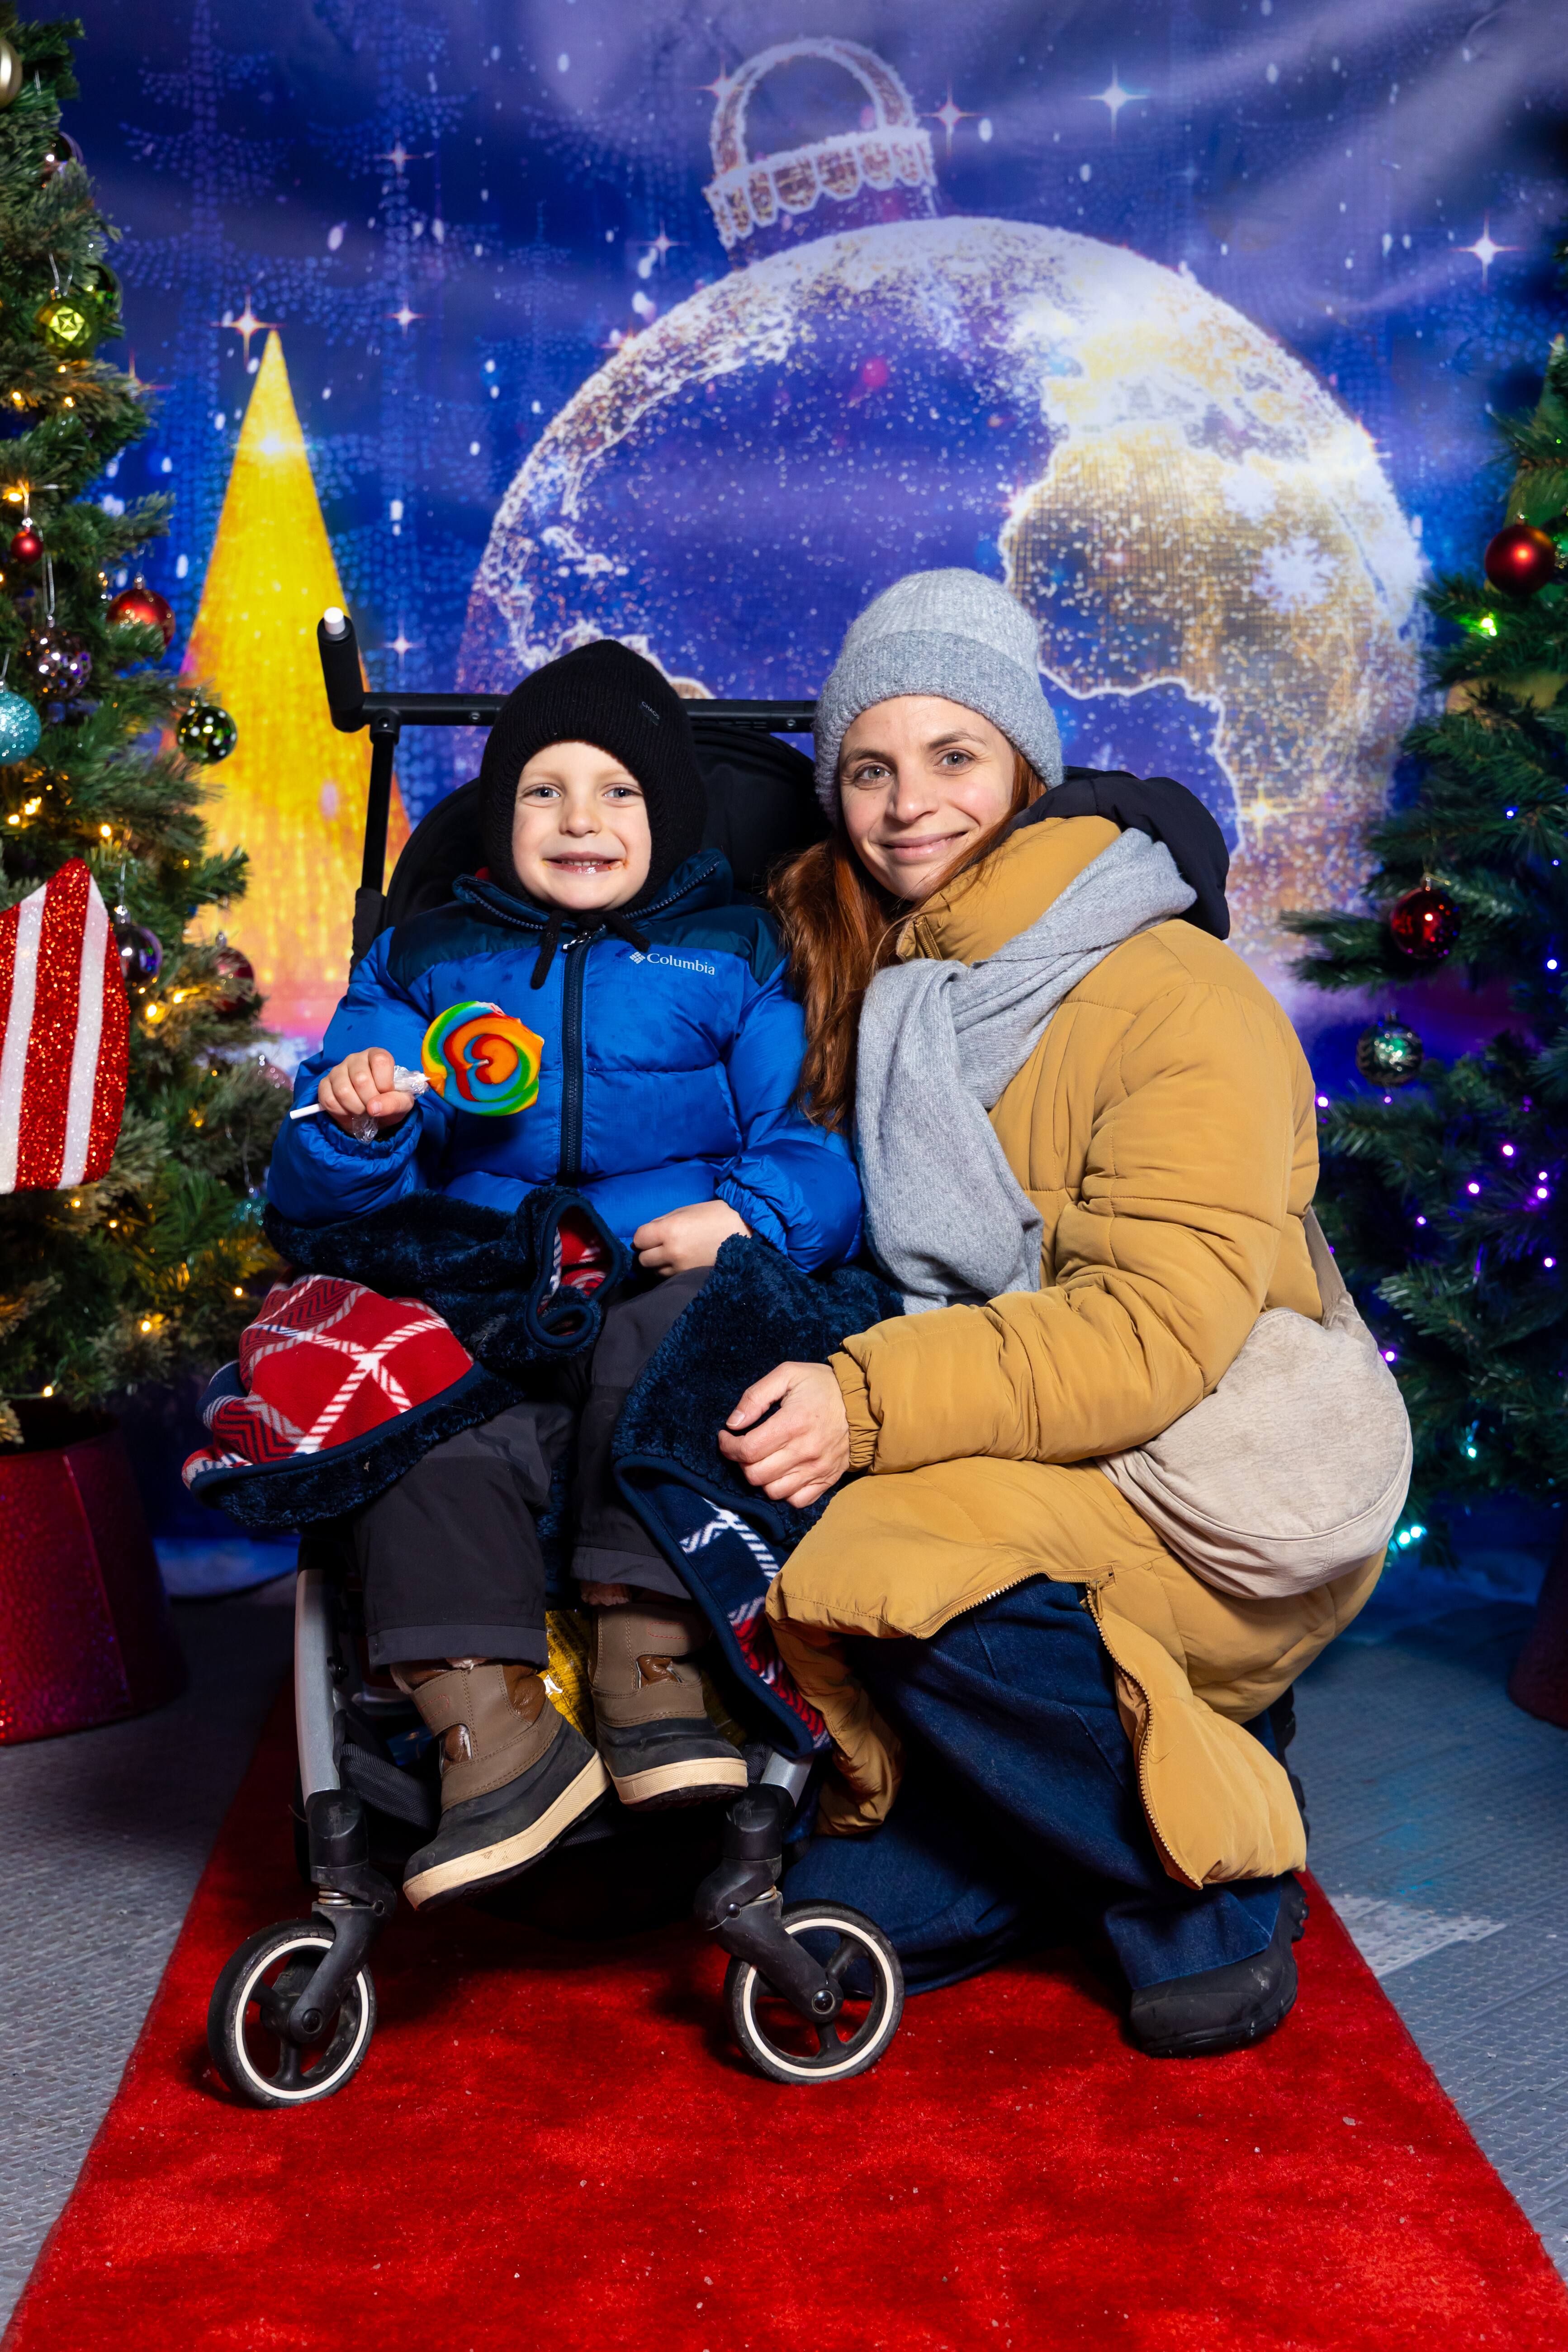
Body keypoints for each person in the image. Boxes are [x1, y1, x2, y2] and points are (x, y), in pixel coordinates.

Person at [717, 569, 1382, 2058]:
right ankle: (1076, 1805)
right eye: (868, 769)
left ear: (1025, 766)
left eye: (952, 758)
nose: (906, 805)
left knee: (869, 1560)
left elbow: (1149, 1340)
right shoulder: (903, 979)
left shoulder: (1173, 992)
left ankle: (1212, 1883)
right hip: (1038, 1447)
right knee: (848, 1910)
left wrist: (868, 1399)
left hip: (1201, 1482)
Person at [268, 640, 862, 1911]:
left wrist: (744, 1216)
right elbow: (316, 1195)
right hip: (493, 1279)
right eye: (544, 790)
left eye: (617, 792)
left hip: (663, 1271)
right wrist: (359, 1126)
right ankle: (496, 1733)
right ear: (500, 814)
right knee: (424, 1412)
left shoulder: (735, 954)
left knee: (690, 1331)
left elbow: (814, 1151)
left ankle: (649, 1660)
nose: (579, 819)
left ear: (669, 815)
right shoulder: (429, 960)